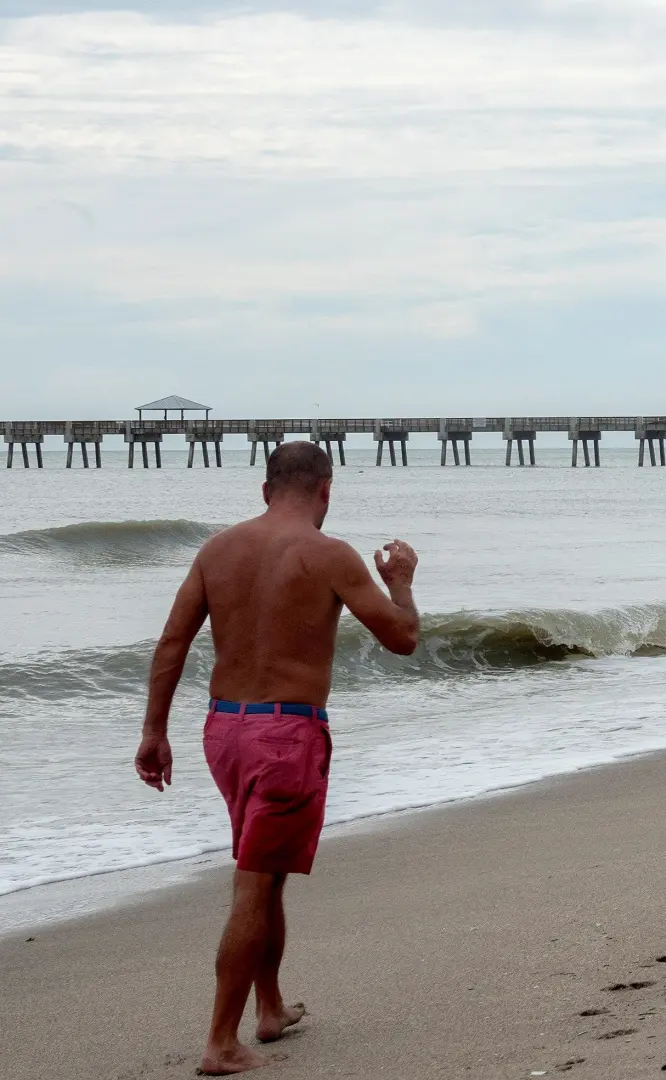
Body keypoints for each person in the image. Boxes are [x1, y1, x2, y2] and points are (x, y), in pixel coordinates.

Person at [134, 441, 420, 1075]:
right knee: (256, 880)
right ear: (326, 490)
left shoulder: (217, 549)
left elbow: (171, 645)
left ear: (265, 490)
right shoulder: (327, 554)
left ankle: (270, 1007)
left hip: (224, 733)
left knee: (268, 871)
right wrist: (401, 582)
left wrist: (154, 732)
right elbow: (402, 638)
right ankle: (219, 1042)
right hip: (286, 736)